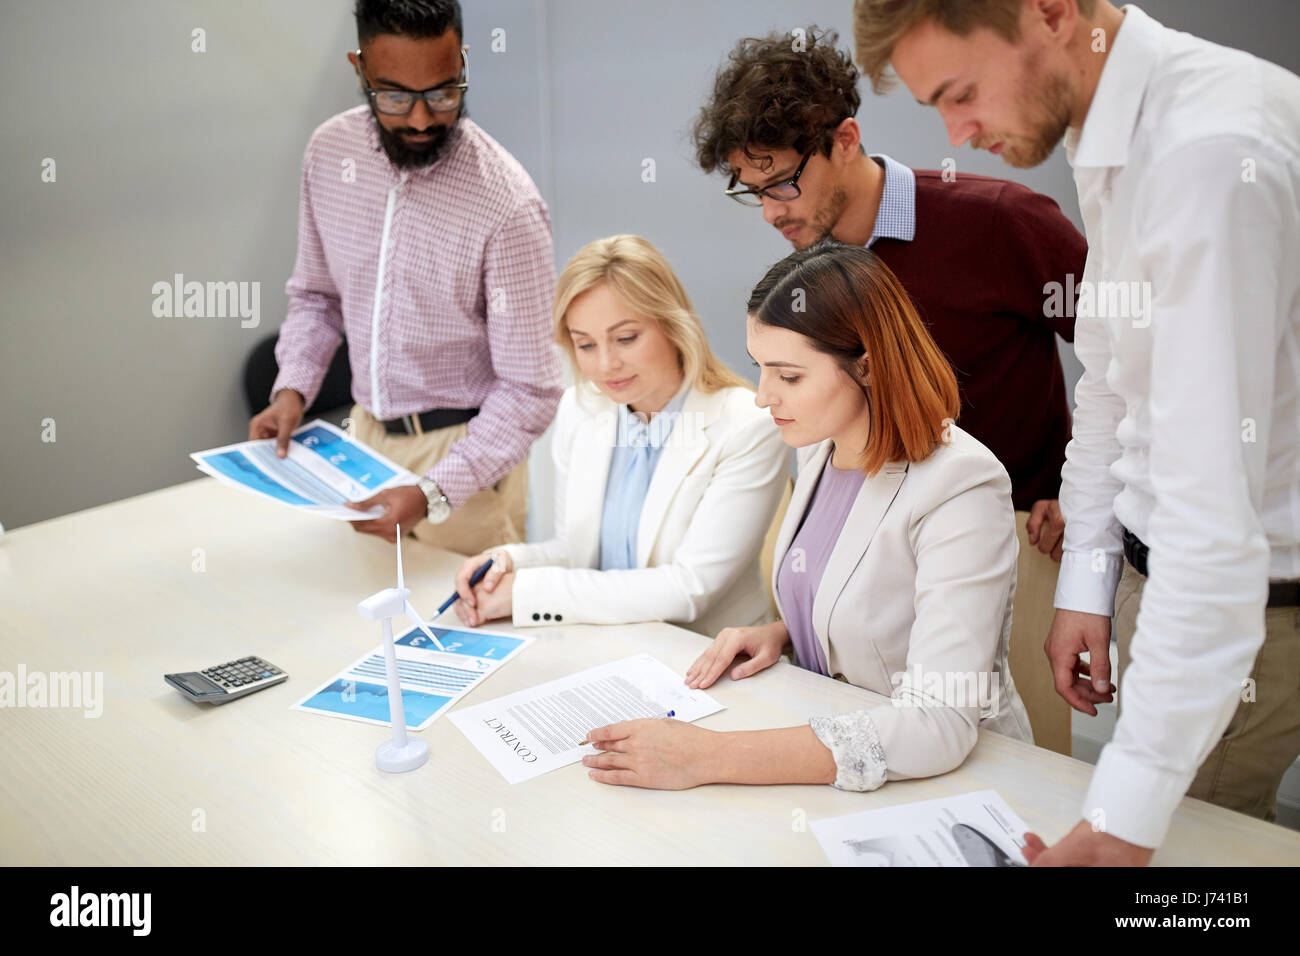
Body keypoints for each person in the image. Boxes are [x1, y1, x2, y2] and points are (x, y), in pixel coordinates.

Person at [853, 0, 1300, 864]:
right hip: (1162, 574)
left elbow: (1214, 528)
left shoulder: (1205, 157)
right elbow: (1111, 384)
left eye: (962, 91)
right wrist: (1089, 585)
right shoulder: (1110, 135)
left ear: (1050, 13)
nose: (956, 130)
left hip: (1248, 608)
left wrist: (1121, 822)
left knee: (1183, 877)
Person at [691, 28, 1086, 749]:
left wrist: (1086, 482)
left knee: (1016, 770)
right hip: (881, 534)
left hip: (1018, 530)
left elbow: (1131, 362)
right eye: (755, 193)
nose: (774, 212)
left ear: (845, 138)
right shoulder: (811, 262)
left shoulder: (1000, 222)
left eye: (784, 183)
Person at [581, 241, 1031, 790]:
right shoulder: (818, 444)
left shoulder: (961, 485)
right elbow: (863, 595)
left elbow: (936, 720)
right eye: (761, 370)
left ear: (867, 368)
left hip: (948, 776)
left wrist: (708, 758)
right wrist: (787, 632)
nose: (762, 397)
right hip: (827, 744)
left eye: (788, 377)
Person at [248, 0, 562, 553]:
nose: (421, 119)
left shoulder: (507, 204)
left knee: (455, 628)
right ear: (359, 69)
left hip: (465, 458)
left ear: (463, 63)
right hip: (362, 442)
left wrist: (435, 491)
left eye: (443, 92)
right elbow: (316, 298)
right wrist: (292, 389)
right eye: (394, 96)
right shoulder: (328, 154)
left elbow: (530, 390)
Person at [450, 235, 788, 637]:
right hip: (609, 644)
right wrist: (509, 562)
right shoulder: (580, 408)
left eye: (626, 338)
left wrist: (527, 593)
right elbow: (578, 554)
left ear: (672, 324)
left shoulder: (747, 425)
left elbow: (689, 589)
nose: (607, 364)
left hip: (709, 655)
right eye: (586, 345)